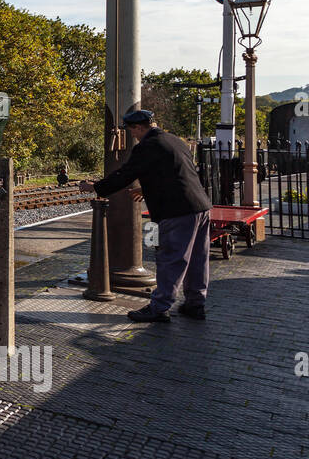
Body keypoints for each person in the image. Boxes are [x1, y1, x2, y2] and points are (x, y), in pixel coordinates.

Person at [80, 110, 212, 323]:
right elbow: (175, 172)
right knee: (198, 259)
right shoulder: (173, 140)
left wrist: (96, 187)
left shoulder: (148, 146)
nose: (133, 135)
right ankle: (195, 304)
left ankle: (159, 308)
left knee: (171, 259)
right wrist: (145, 188)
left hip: (176, 211)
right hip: (201, 207)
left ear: (139, 127)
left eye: (132, 131)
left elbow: (125, 174)